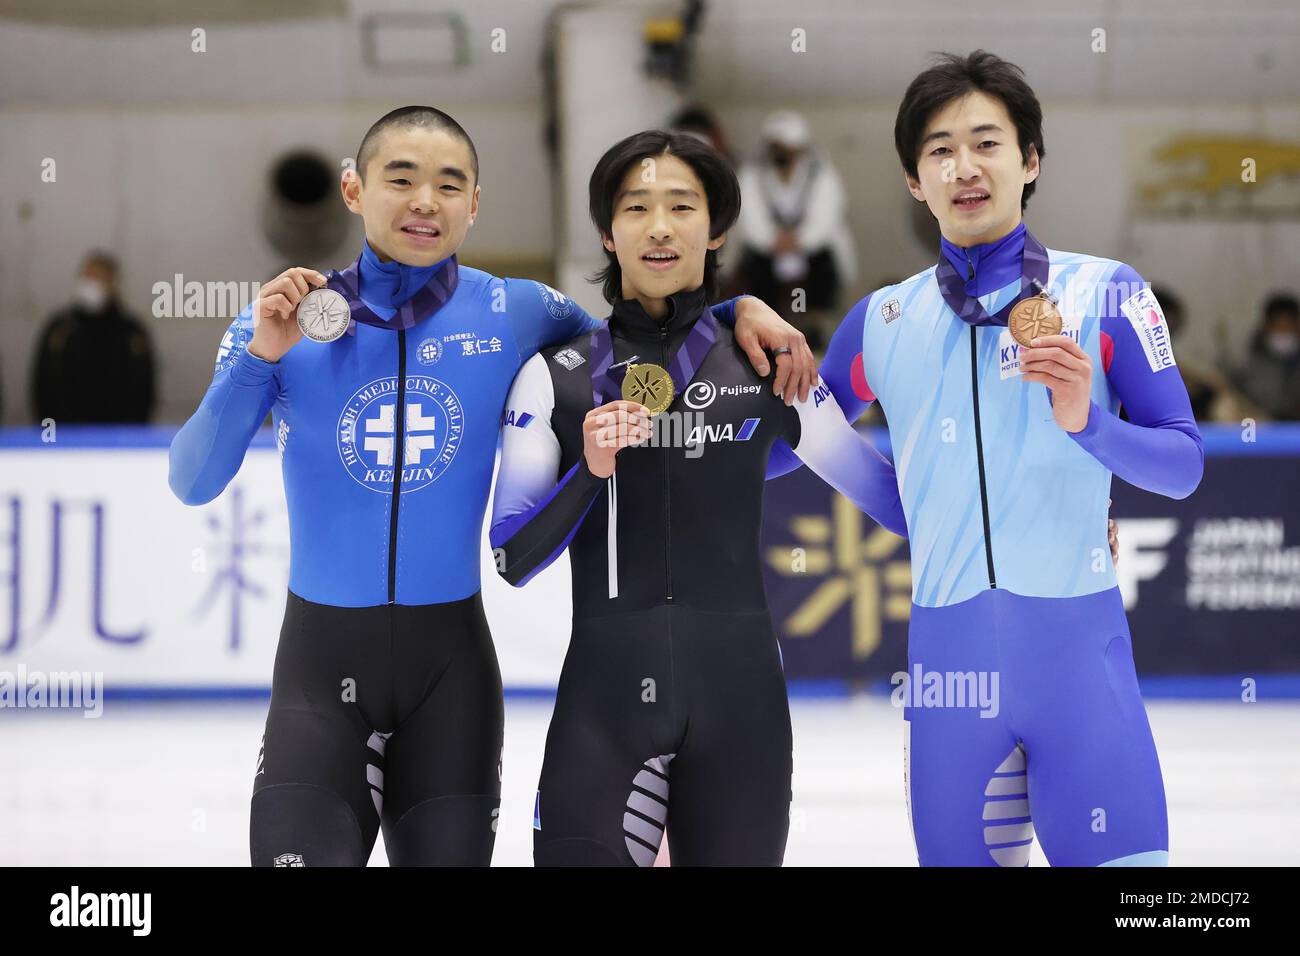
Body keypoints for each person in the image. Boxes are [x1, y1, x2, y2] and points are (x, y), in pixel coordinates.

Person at [168, 106, 816, 867]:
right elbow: (193, 481)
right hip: (317, 677)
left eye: (449, 185)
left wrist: (740, 309)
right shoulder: (277, 320)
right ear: (353, 189)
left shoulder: (519, 312)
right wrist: (259, 360)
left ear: (474, 203)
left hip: (452, 685)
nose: (424, 202)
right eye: (400, 179)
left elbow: (651, 328)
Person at [771, 51, 1203, 866]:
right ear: (912, 180)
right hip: (949, 694)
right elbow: (800, 448)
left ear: (1030, 159)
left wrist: (1087, 425)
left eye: (986, 143)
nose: (963, 167)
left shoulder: (1106, 293)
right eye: (938, 149)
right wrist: (673, 431)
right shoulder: (882, 322)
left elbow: (1182, 464)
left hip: (1082, 681)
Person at [489, 129, 906, 866]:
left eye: (681, 206)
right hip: (602, 704)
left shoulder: (766, 365)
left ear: (716, 230)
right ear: (607, 234)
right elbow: (513, 556)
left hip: (739, 703)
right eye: (636, 207)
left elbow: (889, 498)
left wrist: (1054, 511)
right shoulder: (557, 376)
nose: (658, 226)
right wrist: (589, 467)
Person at [734, 110, 858, 350]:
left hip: (813, 251)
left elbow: (828, 213)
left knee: (818, 287)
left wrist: (801, 240)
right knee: (759, 284)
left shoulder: (821, 173)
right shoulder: (752, 174)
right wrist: (772, 240)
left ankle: (814, 329)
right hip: (767, 252)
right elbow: (747, 214)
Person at [32, 250, 155, 424]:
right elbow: (42, 386)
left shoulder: (131, 334)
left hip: (118, 438)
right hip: (66, 437)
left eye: (98, 278)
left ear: (113, 284)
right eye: (86, 277)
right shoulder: (59, 331)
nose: (90, 285)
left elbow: (144, 391)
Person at [1231, 292, 1300, 420]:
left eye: (1288, 327)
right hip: (1260, 432)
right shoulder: (1247, 368)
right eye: (1278, 327)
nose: (1283, 332)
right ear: (1266, 327)